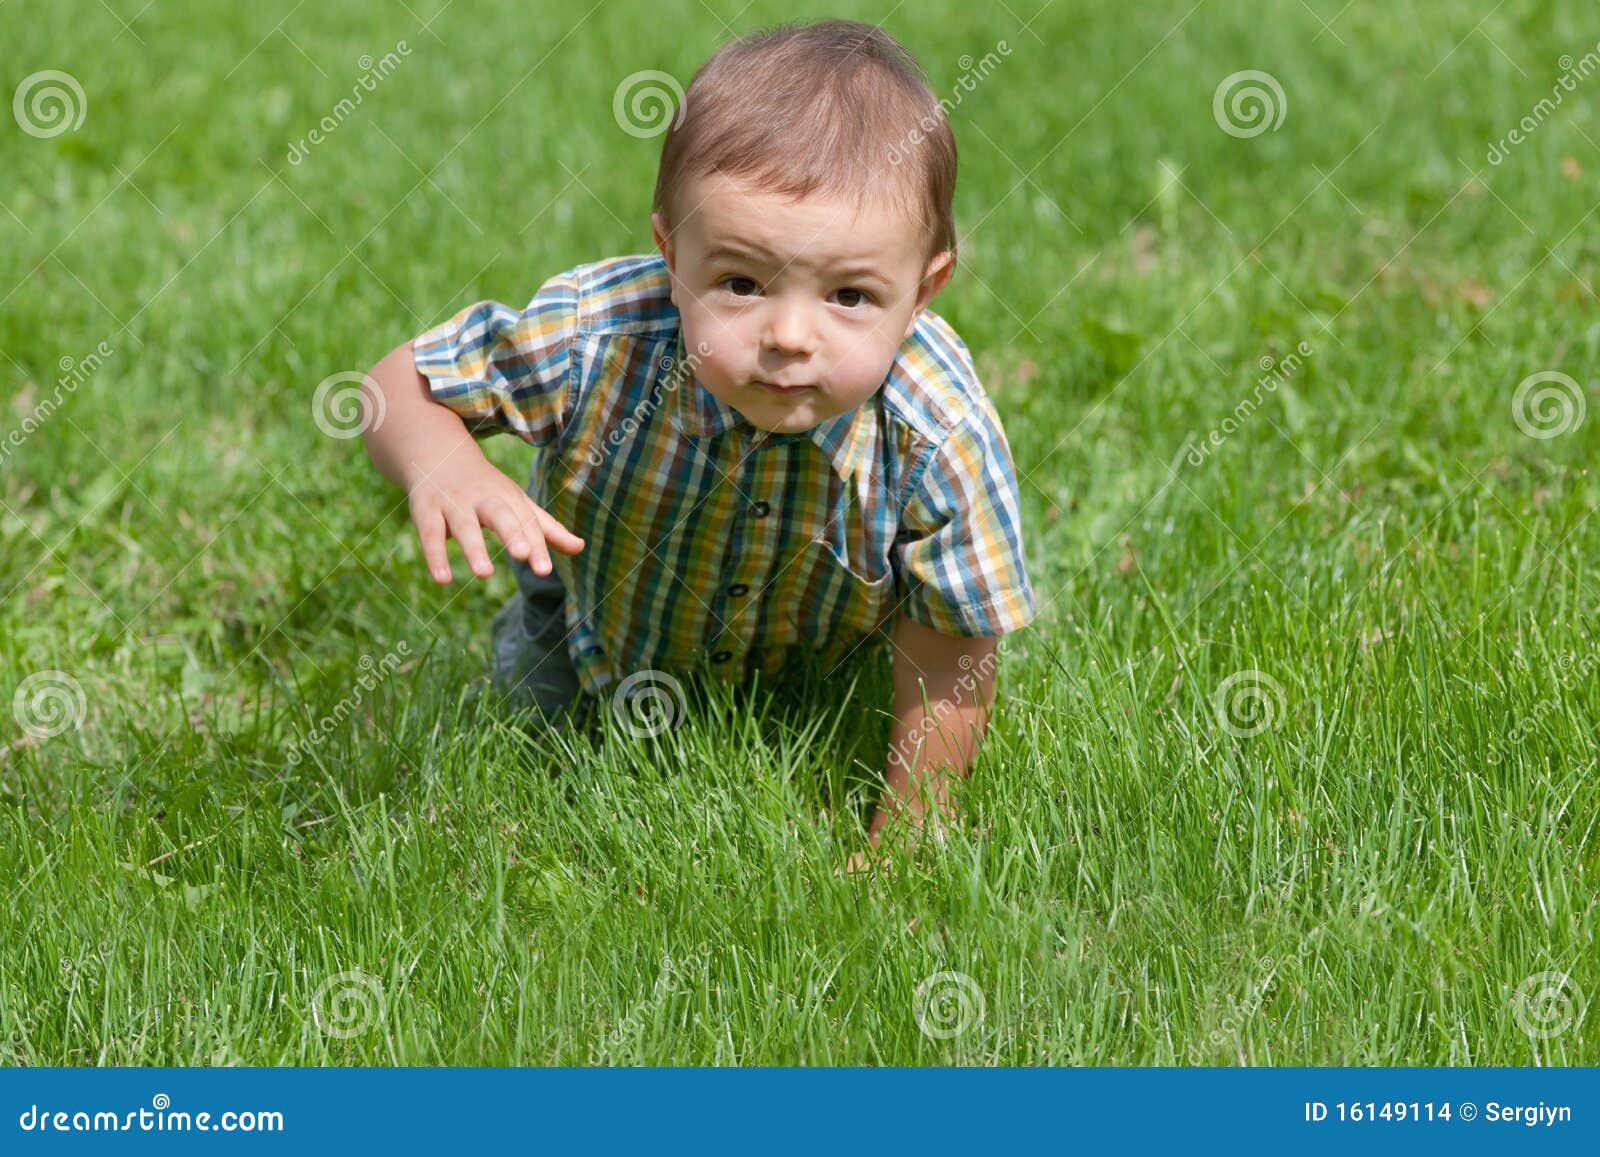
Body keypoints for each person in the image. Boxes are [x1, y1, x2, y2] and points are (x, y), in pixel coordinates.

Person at [360, 19, 1035, 865]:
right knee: (531, 751)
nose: (790, 334)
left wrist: (913, 835)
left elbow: (953, 649)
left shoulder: (940, 429)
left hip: (820, 657)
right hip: (594, 633)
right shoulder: (597, 337)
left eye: (851, 296)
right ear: (670, 256)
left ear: (924, 291)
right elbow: (394, 385)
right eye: (741, 283)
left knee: (854, 692)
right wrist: (443, 463)